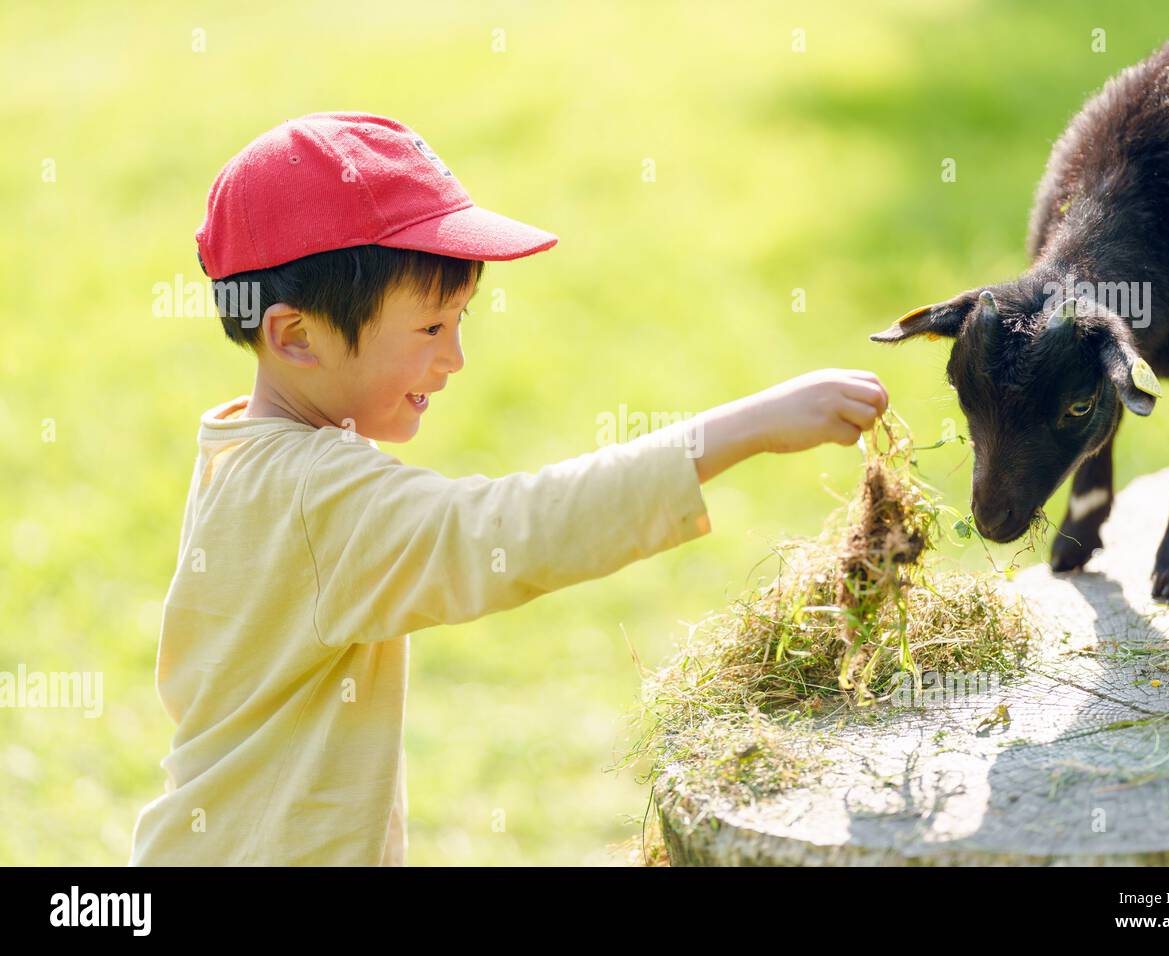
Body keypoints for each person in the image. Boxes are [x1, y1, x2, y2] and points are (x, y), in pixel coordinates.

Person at [129, 112, 888, 865]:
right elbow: (507, 533)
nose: (455, 357)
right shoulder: (314, 494)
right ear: (295, 336)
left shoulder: (242, 448)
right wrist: (743, 427)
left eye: (461, 319)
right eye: (431, 329)